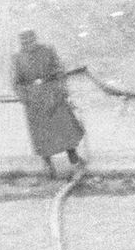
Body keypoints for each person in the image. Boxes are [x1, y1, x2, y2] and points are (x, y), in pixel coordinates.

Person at [11, 29, 85, 178]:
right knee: (41, 134)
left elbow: (59, 71)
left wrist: (60, 90)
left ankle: (73, 156)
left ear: (35, 39)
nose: (28, 44)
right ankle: (48, 165)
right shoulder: (17, 58)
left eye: (31, 40)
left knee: (64, 126)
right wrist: (26, 98)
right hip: (33, 99)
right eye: (24, 41)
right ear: (21, 43)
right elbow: (16, 82)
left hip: (52, 93)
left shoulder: (47, 50)